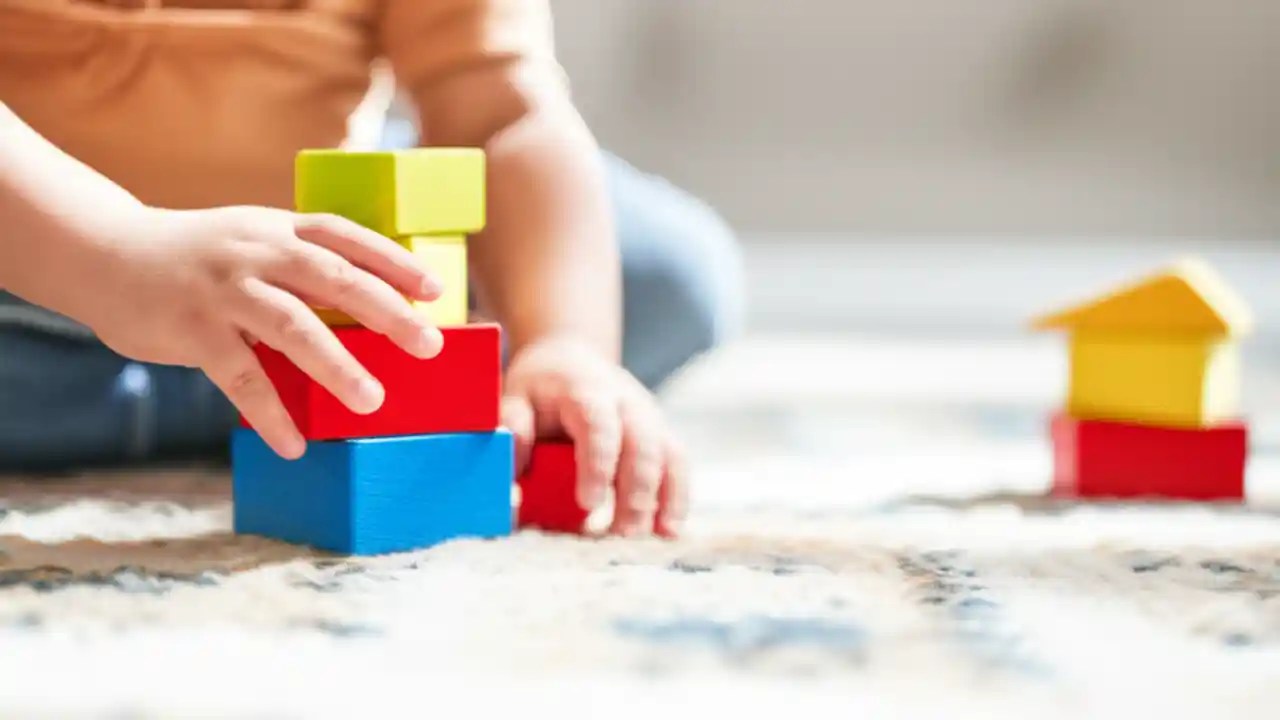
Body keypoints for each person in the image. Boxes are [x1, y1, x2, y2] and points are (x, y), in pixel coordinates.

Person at [0, 0, 744, 539]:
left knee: (667, 275)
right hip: (35, 296)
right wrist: (115, 253)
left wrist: (565, 343)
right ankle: (259, 416)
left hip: (327, 301)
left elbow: (502, 113)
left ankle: (310, 414)